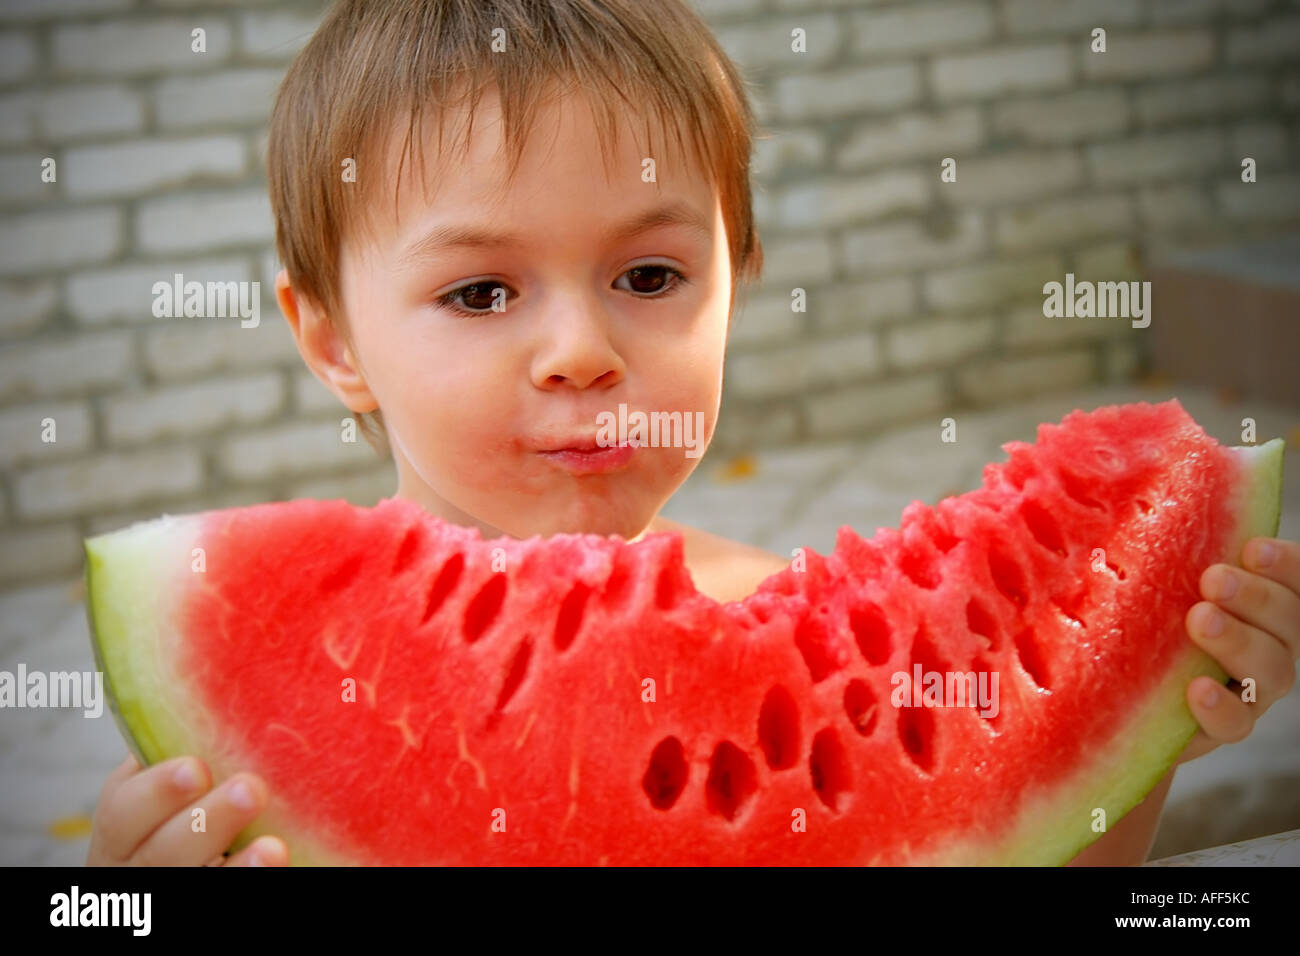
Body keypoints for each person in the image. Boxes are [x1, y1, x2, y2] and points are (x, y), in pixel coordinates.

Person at [87, 0, 1300, 867]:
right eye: (481, 292)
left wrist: (1135, 721)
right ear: (332, 339)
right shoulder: (270, 750)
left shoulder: (790, 643)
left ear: (741, 276)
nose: (580, 349)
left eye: (651, 273)